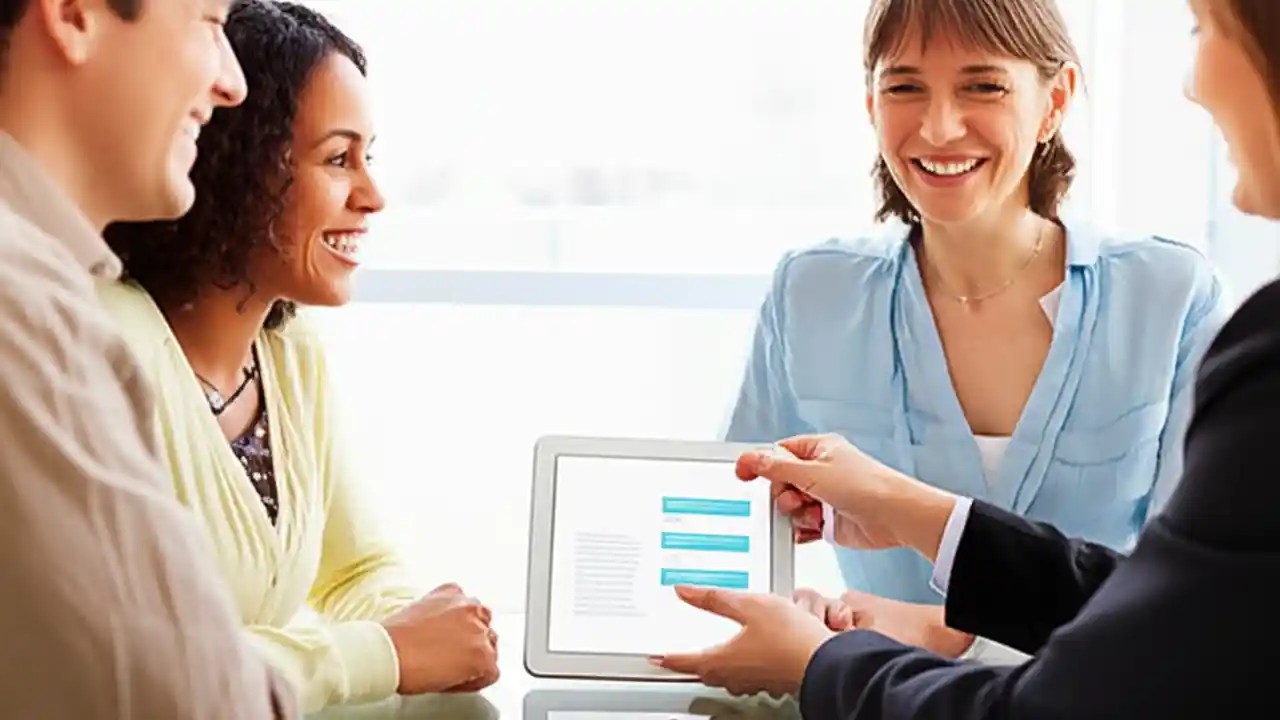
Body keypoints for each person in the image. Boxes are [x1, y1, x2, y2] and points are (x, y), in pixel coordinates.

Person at [655, 0, 1280, 715]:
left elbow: (1177, 618)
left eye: (983, 86)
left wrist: (915, 641)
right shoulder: (811, 291)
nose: (940, 126)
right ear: (870, 103)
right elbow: (720, 531)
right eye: (904, 86)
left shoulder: (1175, 298)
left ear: (1056, 101)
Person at [99, 0, 499, 712]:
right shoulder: (112, 346)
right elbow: (134, 663)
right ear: (240, 164)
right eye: (338, 159)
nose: (373, 196)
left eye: (367, 158)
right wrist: (389, 652)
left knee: (460, 708)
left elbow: (360, 569)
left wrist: (433, 633)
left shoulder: (288, 355)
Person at [0, 0, 306, 716]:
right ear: (74, 14)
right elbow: (192, 700)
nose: (232, 83)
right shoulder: (26, 311)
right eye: (207, 22)